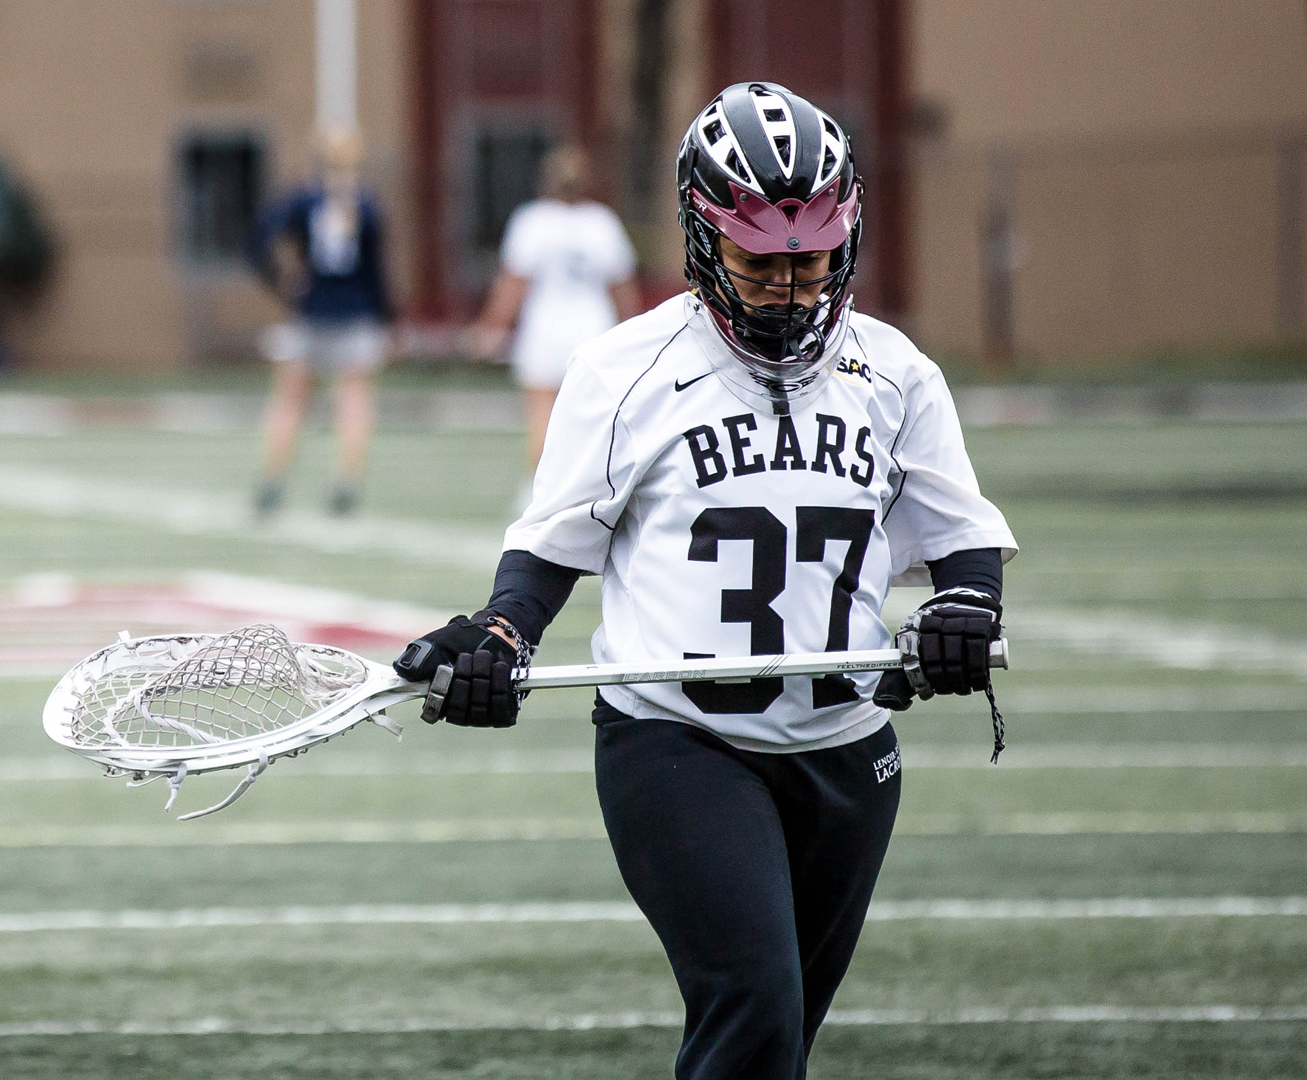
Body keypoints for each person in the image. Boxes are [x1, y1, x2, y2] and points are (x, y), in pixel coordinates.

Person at [393, 83, 1017, 1079]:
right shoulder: (628, 368)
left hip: (847, 751)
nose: (790, 286)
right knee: (755, 1007)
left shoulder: (895, 374)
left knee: (777, 1040)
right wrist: (502, 635)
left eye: (810, 260)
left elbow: (962, 537)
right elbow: (553, 548)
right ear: (701, 236)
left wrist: (963, 608)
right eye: (761, 262)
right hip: (679, 741)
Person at [466, 144, 643, 481]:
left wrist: (490, 328)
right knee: (593, 423)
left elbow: (512, 286)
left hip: (544, 332)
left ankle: (540, 491)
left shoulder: (532, 221)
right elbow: (623, 290)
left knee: (541, 416)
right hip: (594, 332)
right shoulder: (602, 223)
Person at [246, 126, 394, 518]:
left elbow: (259, 237)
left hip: (310, 311)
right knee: (353, 401)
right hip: (356, 313)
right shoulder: (364, 204)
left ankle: (273, 479)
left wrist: (281, 279)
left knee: (290, 401)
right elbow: (377, 271)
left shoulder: (304, 200)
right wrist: (387, 317)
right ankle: (347, 482)